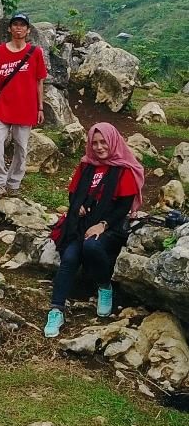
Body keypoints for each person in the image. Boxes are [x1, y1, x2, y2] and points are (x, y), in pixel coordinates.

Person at [44, 122, 144, 338]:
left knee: (92, 246)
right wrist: (77, 205)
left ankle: (104, 286)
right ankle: (56, 310)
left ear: (113, 141)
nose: (99, 147)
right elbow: (73, 193)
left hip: (110, 226)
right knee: (70, 257)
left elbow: (123, 206)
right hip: (81, 224)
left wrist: (103, 224)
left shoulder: (123, 168)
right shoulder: (86, 165)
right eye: (95, 143)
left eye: (103, 142)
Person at [0, 12, 47, 193]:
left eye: (22, 25)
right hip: (3, 106)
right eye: (15, 24)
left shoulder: (35, 53)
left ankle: (13, 183)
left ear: (28, 30)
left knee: (21, 148)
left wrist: (40, 107)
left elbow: (39, 81)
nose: (19, 28)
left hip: (26, 107)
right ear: (9, 28)